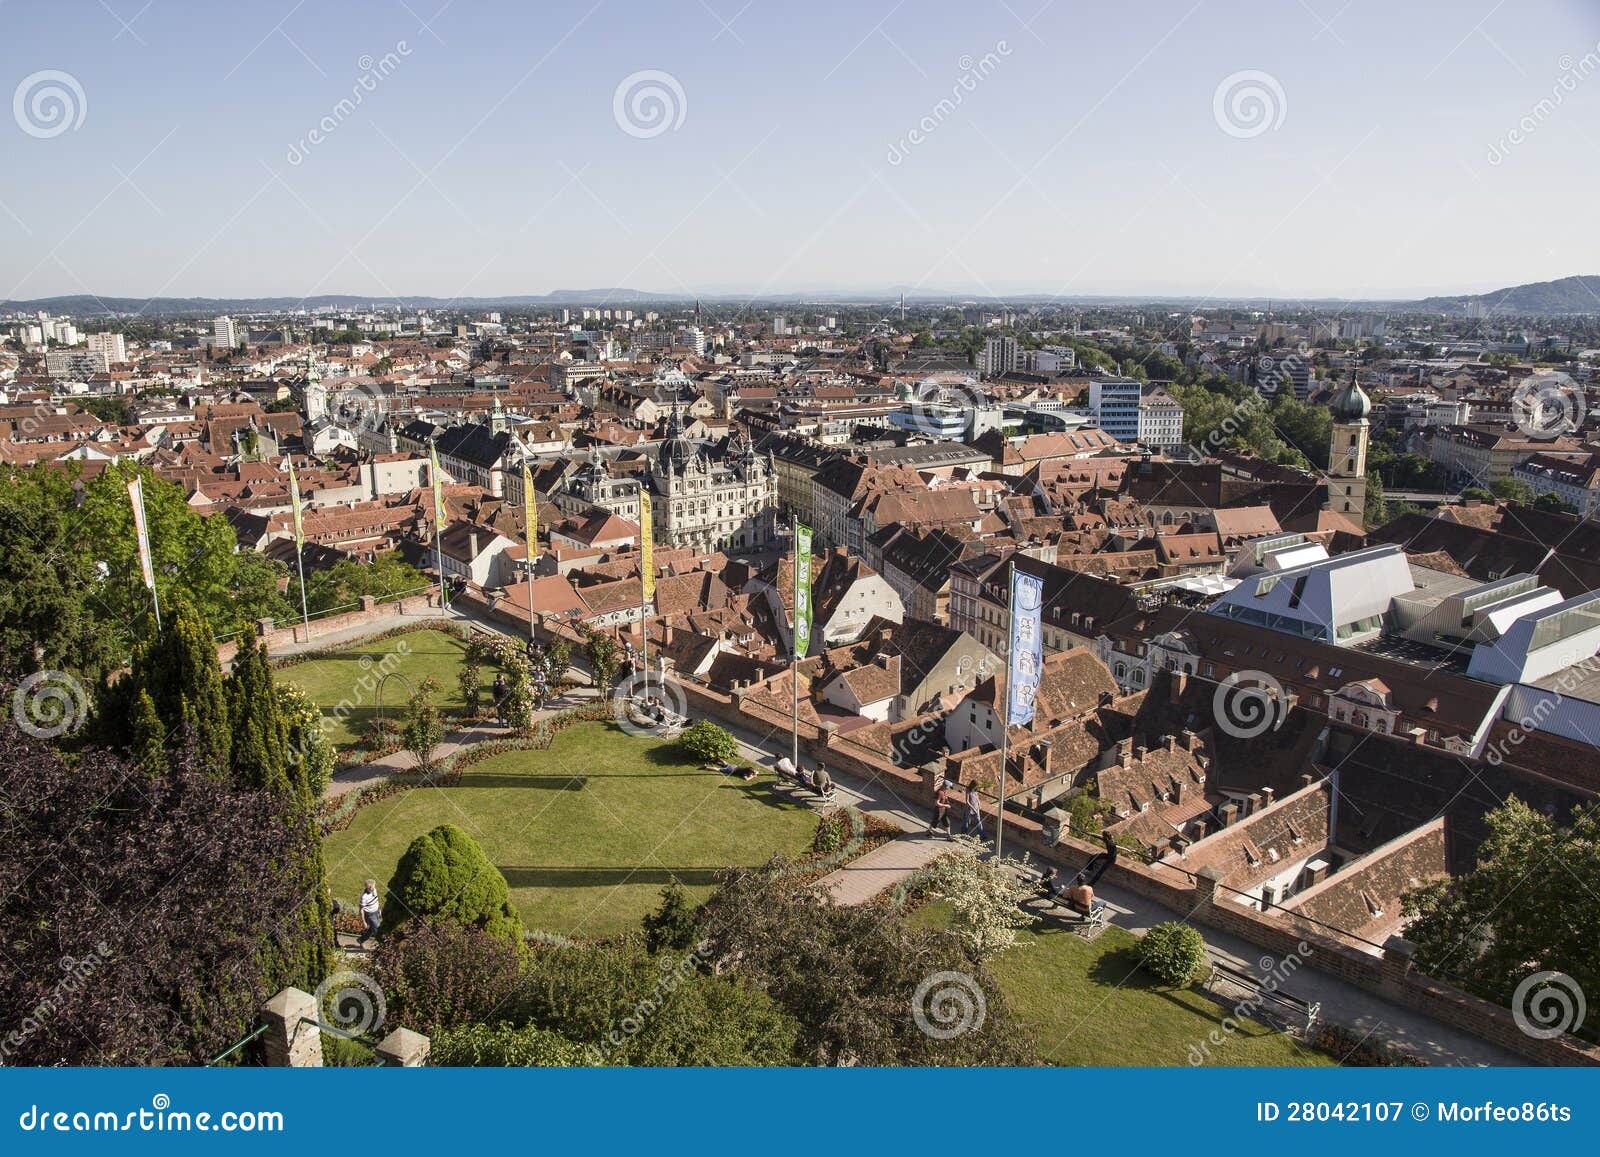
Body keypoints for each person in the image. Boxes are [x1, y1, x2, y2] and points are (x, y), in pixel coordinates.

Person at [358, 879, 381, 945]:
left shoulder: (374, 890)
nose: (373, 888)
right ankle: (381, 943)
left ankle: (361, 940)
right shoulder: (364, 897)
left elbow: (376, 900)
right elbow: (361, 910)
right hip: (370, 915)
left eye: (373, 886)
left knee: (371, 929)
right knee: (377, 929)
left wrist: (379, 910)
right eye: (371, 886)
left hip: (376, 912)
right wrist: (364, 922)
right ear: (368, 887)